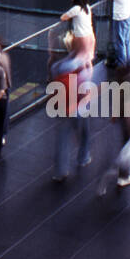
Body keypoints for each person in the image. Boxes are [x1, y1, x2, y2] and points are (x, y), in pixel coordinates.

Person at [50, 31, 92, 181]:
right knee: (84, 133)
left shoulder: (57, 66)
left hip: (63, 107)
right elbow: (86, 90)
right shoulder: (81, 67)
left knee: (62, 139)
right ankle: (83, 157)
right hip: (79, 108)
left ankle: (60, 171)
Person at [59, 0, 96, 66]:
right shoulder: (87, 7)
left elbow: (63, 17)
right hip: (90, 36)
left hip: (82, 38)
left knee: (75, 62)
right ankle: (89, 77)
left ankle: (73, 78)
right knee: (88, 61)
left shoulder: (76, 9)